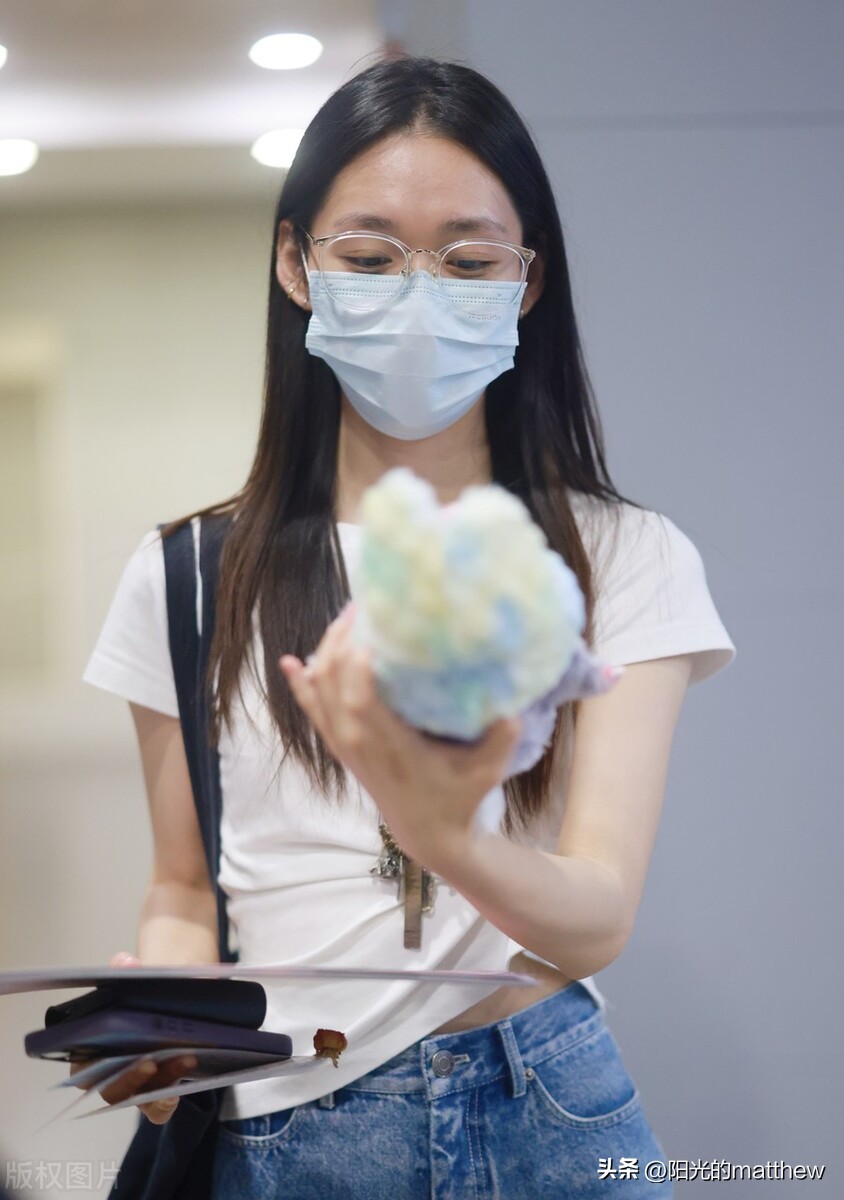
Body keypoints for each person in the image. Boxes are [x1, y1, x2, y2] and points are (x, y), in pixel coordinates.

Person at [83, 55, 735, 1199]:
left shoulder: (620, 557)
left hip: (544, 1097)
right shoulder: (189, 575)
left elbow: (593, 917)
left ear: (526, 282)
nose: (420, 291)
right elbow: (186, 889)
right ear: (295, 265)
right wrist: (165, 1033)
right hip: (288, 1125)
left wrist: (447, 833)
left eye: (469, 259)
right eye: (370, 256)